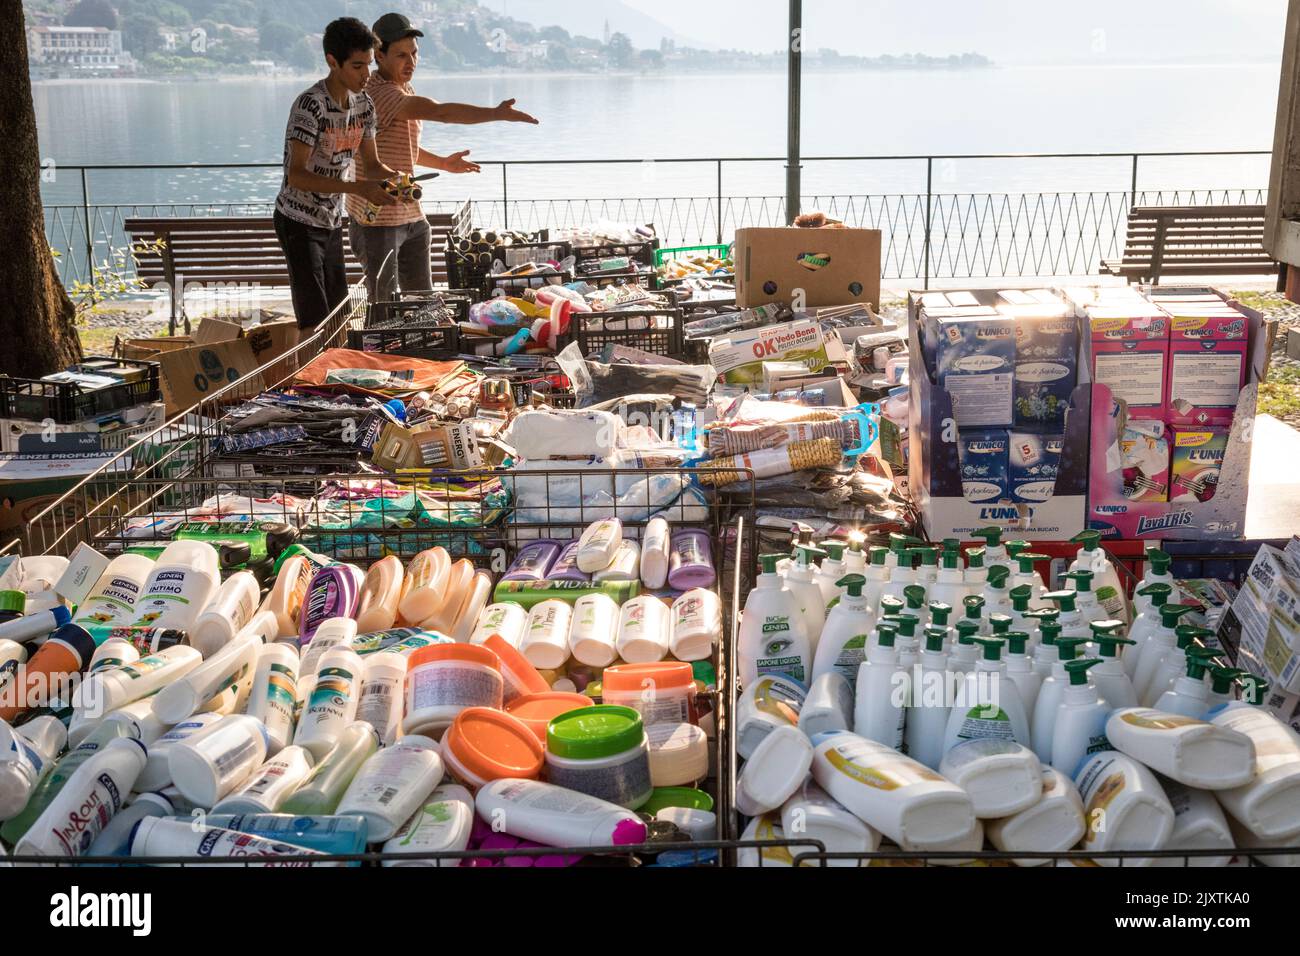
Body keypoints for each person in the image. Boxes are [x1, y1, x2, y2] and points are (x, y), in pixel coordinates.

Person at [347, 12, 539, 319]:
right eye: (400, 55)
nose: (410, 62)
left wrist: (443, 163)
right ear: (378, 55)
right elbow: (441, 112)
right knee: (383, 306)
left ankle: (422, 356)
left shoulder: (401, 87)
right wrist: (495, 113)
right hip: (377, 220)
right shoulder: (378, 93)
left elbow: (401, 146)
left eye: (414, 54)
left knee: (423, 303)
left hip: (409, 213)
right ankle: (381, 360)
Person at [273, 17, 400, 335]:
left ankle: (333, 379)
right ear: (333, 61)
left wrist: (397, 179)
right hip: (297, 220)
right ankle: (310, 383)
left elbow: (372, 166)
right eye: (357, 66)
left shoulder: (364, 106)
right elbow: (297, 176)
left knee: (338, 317)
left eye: (368, 64)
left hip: (330, 220)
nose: (366, 75)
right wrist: (359, 187)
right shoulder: (309, 106)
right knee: (313, 322)